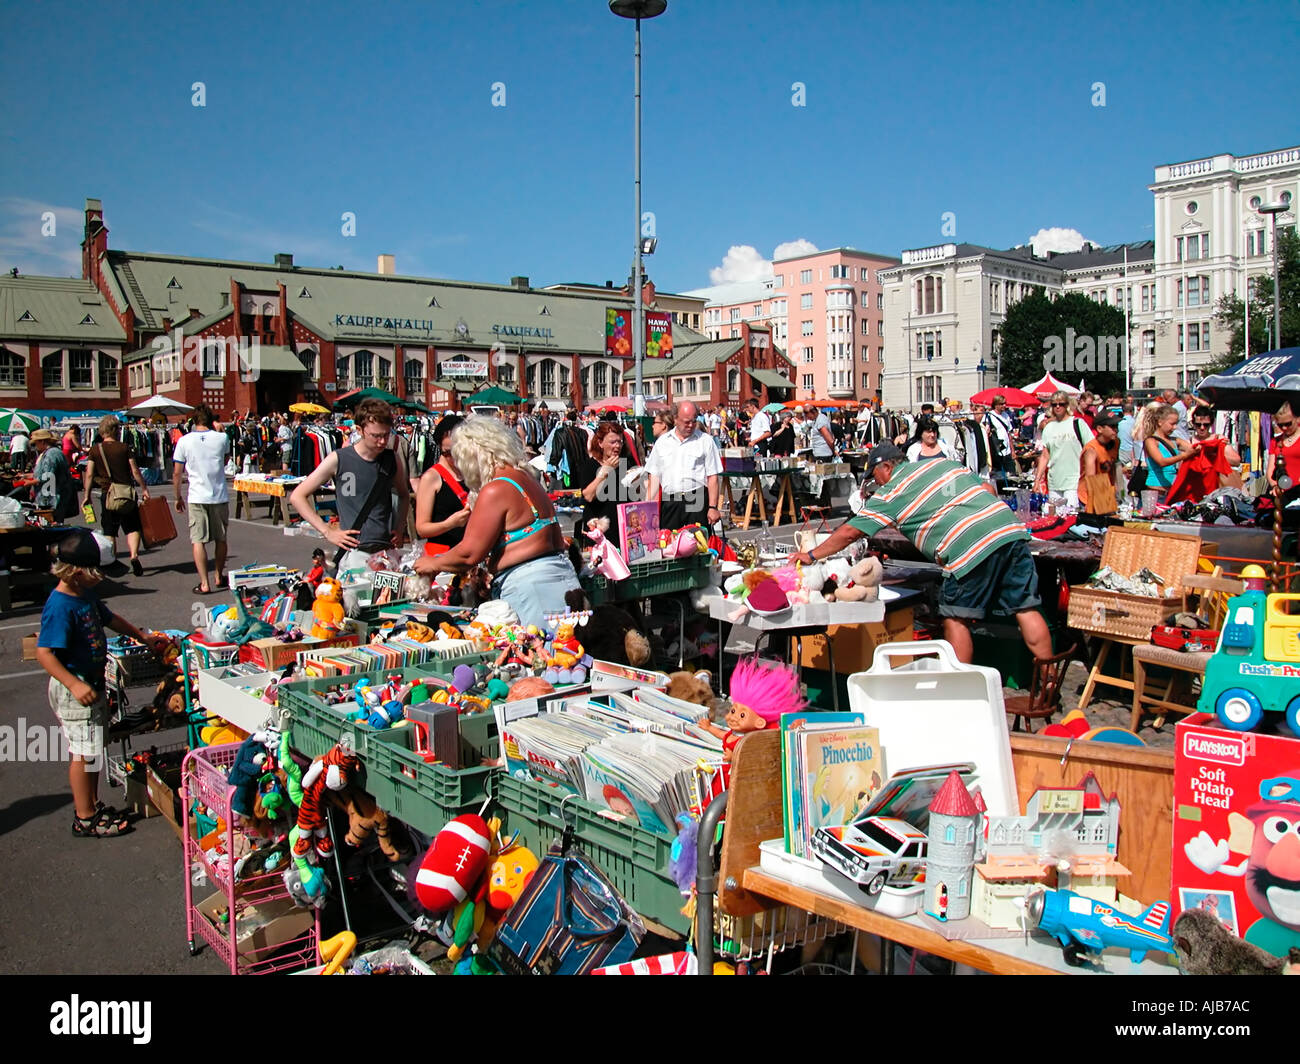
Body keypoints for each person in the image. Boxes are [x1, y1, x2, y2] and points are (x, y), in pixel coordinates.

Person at [791, 442, 1052, 664]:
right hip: (1009, 531)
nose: (875, 483)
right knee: (1025, 607)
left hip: (968, 548)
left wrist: (812, 555)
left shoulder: (891, 493)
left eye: (874, 475)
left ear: (887, 467)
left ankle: (963, 690)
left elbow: (850, 532)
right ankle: (1047, 682)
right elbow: (988, 491)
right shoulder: (942, 464)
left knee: (955, 617)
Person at [36, 529, 169, 838]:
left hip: (90, 685)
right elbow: (45, 653)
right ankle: (84, 817)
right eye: (98, 574)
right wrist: (73, 684)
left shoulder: (85, 595)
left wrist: (142, 636)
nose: (103, 579)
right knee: (82, 753)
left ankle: (92, 805)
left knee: (93, 749)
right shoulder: (60, 605)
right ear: (77, 572)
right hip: (76, 689)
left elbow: (111, 619)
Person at [413, 415, 578, 630]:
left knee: (545, 655)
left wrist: (432, 562)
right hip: (560, 578)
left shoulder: (496, 488)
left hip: (532, 589)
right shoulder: (525, 477)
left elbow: (469, 553)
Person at [290, 398, 411, 574]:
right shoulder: (339, 459)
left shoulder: (391, 458)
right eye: (376, 436)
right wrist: (327, 531)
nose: (383, 441)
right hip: (354, 553)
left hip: (385, 551)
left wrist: (400, 528)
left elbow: (404, 494)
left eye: (386, 435)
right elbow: (297, 496)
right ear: (360, 430)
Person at [171, 404, 232, 594]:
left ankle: (204, 583)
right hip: (218, 494)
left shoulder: (185, 441)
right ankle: (218, 575)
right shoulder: (222, 438)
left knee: (198, 540)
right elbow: (226, 459)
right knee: (221, 538)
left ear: (194, 420)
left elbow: (177, 472)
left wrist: (177, 496)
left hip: (197, 495)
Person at [83, 415, 151, 575]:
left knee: (109, 529)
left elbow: (89, 474)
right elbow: (134, 470)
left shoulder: (95, 450)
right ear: (115, 430)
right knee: (133, 527)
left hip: (108, 494)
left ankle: (111, 559)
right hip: (126, 492)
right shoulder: (124, 447)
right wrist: (144, 488)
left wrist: (87, 495)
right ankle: (134, 555)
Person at [645, 400, 723, 531]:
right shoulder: (662, 442)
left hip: (697, 501)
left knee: (699, 547)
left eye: (694, 420)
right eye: (687, 421)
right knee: (670, 547)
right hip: (670, 502)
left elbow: (713, 477)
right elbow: (654, 477)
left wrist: (713, 507)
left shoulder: (705, 441)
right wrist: (648, 509)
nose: (691, 425)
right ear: (675, 419)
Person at [414, 414, 470, 551]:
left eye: (458, 451)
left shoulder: (471, 470)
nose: (454, 457)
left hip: (470, 553)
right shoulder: (431, 477)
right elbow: (421, 528)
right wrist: (450, 524)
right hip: (443, 555)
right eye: (447, 453)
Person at [576, 420, 636, 547]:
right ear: (600, 443)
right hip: (599, 533)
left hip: (622, 532)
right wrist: (605, 472)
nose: (617, 446)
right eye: (613, 442)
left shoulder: (625, 463)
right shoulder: (590, 466)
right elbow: (588, 495)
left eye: (620, 441)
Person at [1035, 391, 1094, 508]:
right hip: (1054, 481)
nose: (1057, 407)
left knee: (1071, 516)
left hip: (1074, 481)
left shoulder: (1077, 423)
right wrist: (1037, 479)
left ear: (1067, 405)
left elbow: (1091, 449)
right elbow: (1045, 455)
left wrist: (1089, 476)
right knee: (1054, 519)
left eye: (1061, 404)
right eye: (1054, 404)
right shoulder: (1048, 428)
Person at [1142, 403, 1196, 502]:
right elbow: (1161, 461)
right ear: (1160, 422)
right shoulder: (1151, 441)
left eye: (1176, 424)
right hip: (1156, 493)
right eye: (1172, 424)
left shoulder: (1175, 441)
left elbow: (1195, 449)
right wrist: (1184, 456)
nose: (1175, 427)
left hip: (1172, 492)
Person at [1077, 412, 1121, 516]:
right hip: (1090, 495)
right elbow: (1091, 479)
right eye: (1112, 427)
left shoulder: (1115, 442)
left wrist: (1115, 488)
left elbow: (1113, 467)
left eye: (1117, 426)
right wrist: (1102, 505)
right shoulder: (1091, 449)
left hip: (1106, 492)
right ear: (1100, 429)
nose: (1116, 430)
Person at [30, 429, 79, 521]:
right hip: (53, 497)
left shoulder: (51, 454)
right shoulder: (51, 452)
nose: (35, 446)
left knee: (53, 523)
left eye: (35, 443)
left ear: (42, 441)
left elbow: (47, 475)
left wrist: (28, 483)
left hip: (53, 499)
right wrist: (27, 476)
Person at [1267, 400, 1300, 511]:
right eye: (1281, 425)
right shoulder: (1275, 441)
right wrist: (1275, 486)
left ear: (1297, 419)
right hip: (1282, 496)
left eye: (1288, 424)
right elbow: (1270, 470)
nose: (1285, 428)